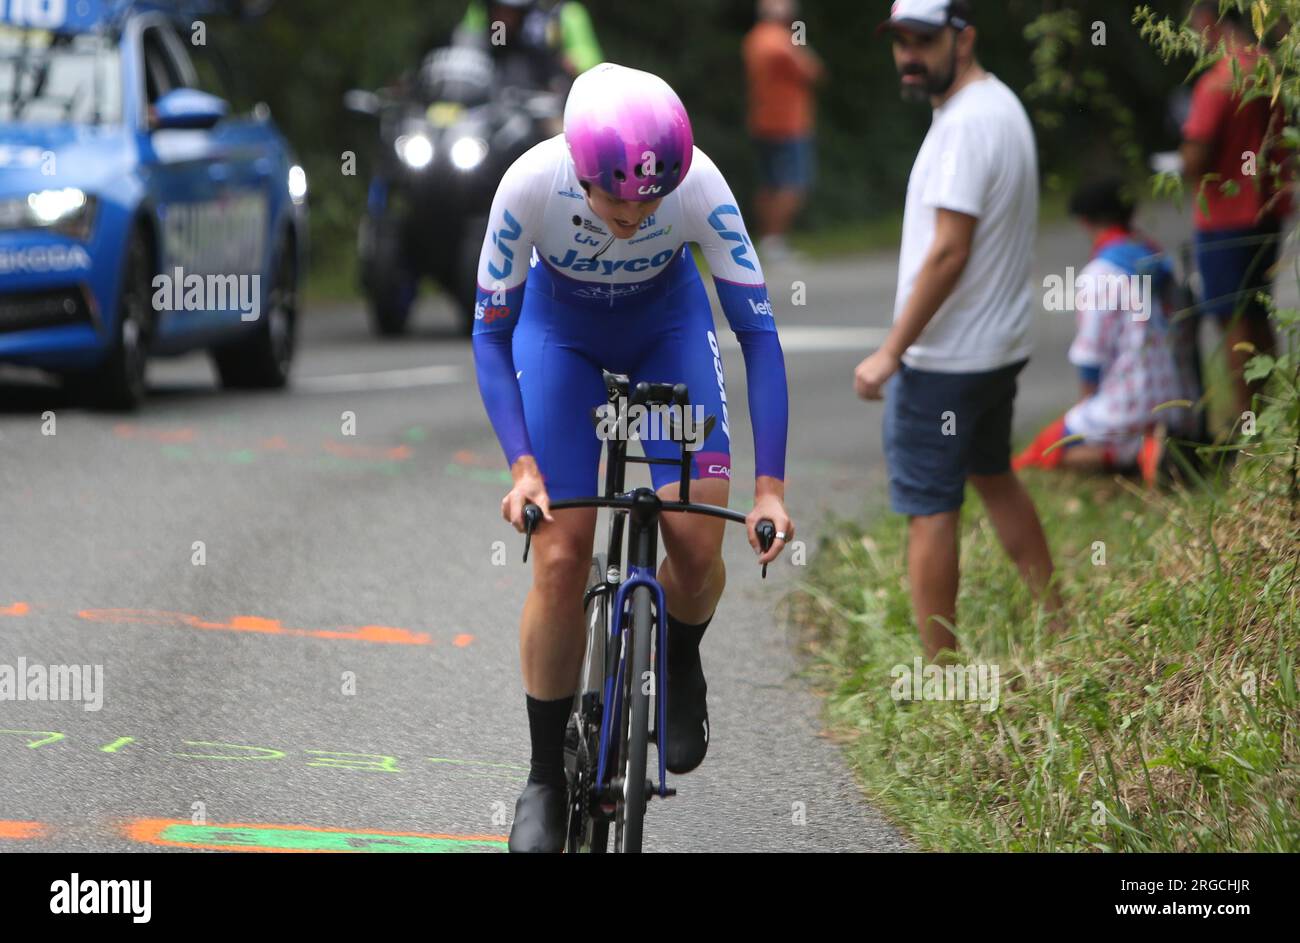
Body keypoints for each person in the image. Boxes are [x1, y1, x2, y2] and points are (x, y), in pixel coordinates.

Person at [472, 63, 793, 852]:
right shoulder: (528, 186)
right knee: (561, 554)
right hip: (562, 335)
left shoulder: (698, 185)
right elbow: (490, 332)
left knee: (692, 540)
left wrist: (771, 488)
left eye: (650, 195)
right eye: (615, 195)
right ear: (580, 170)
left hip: (666, 331)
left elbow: (758, 334)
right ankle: (545, 775)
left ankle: (680, 661)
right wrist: (523, 470)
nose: (635, 209)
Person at [854, 0, 1059, 661]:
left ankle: (940, 667)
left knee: (930, 508)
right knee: (992, 473)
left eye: (925, 40)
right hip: (994, 350)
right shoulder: (997, 107)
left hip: (946, 360)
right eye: (900, 41)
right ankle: (1058, 623)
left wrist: (892, 351)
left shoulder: (968, 126)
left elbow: (949, 251)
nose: (909, 55)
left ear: (963, 38)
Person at [1013, 179, 1201, 484]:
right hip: (1181, 400)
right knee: (1108, 430)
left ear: (1085, 222)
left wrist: (1086, 406)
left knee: (1046, 448)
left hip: (1130, 401)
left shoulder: (1100, 275)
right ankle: (1153, 447)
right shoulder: (1160, 260)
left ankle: (1139, 454)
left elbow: (1090, 356)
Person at [1182, 1, 1291, 418]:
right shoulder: (1267, 67)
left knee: (1232, 318)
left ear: (1209, 22)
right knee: (1259, 312)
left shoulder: (1217, 82)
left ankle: (1245, 420)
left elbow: (1195, 157)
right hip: (1268, 210)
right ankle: (1273, 415)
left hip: (1225, 217)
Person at [742, 0, 824, 262]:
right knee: (793, 184)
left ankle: (766, 241)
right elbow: (814, 71)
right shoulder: (781, 41)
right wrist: (799, 43)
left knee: (769, 184)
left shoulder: (754, 39)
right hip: (789, 124)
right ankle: (775, 243)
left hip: (763, 121)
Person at [454, 0, 601, 91]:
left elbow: (590, 62)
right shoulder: (486, 13)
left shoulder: (566, 13)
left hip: (542, 100)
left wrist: (572, 62)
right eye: (500, 11)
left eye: (510, 13)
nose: (504, 16)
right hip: (491, 95)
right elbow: (464, 44)